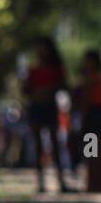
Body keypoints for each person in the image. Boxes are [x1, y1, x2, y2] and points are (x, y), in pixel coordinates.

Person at [25, 37, 73, 194]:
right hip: (36, 108)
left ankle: (61, 181)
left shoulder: (56, 69)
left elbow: (64, 85)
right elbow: (26, 89)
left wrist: (47, 90)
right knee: (38, 146)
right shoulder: (32, 70)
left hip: (50, 107)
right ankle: (40, 182)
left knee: (55, 143)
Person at [76, 49, 101, 193]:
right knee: (90, 151)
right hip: (90, 115)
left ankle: (96, 182)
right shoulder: (90, 78)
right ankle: (91, 181)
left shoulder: (95, 78)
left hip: (95, 115)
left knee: (94, 151)